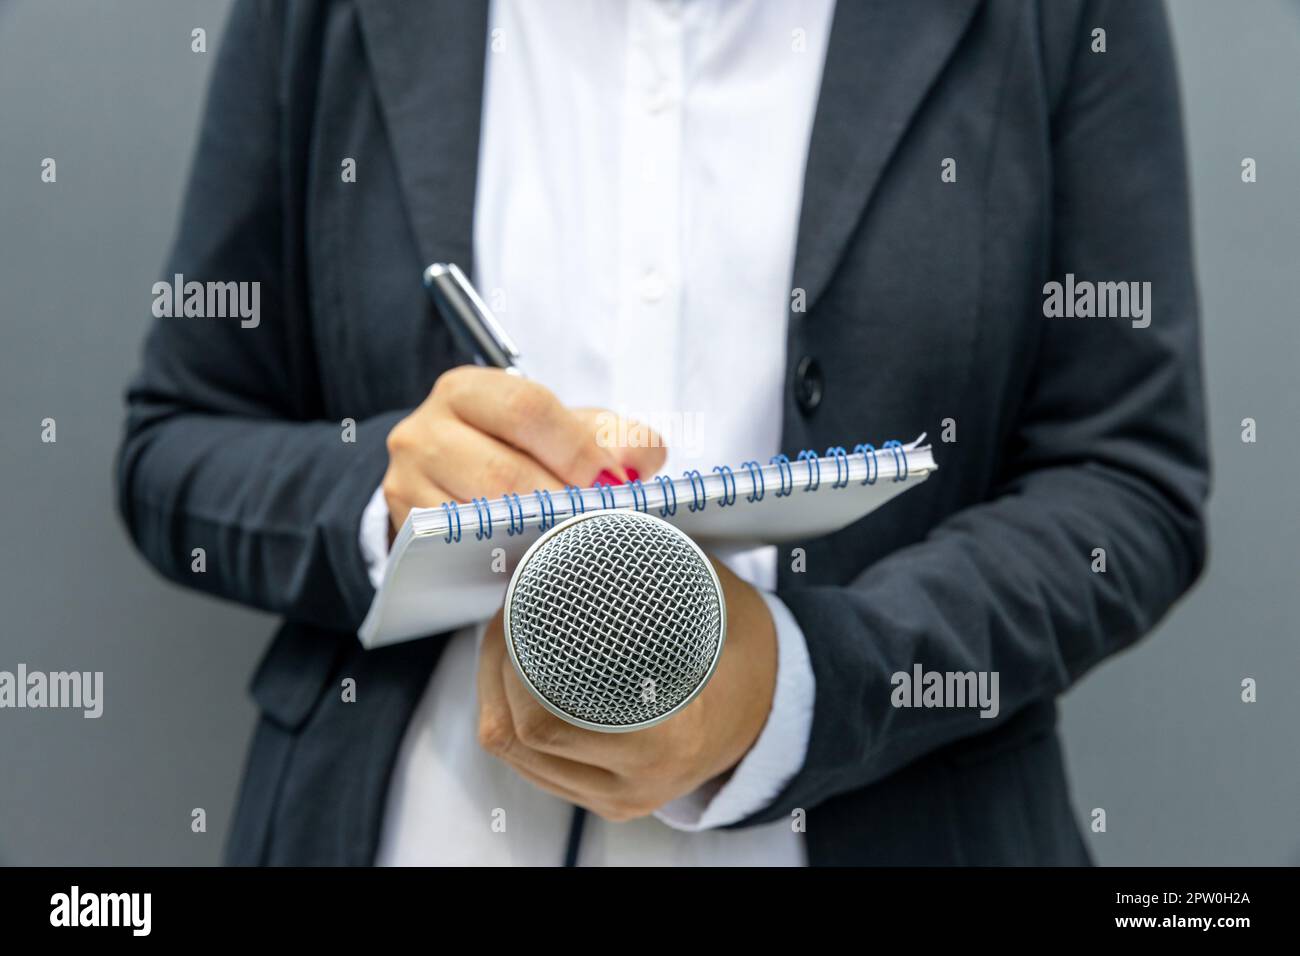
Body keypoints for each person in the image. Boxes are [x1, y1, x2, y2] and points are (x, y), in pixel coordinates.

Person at [117, 0, 1208, 865]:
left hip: (890, 821)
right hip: (399, 823)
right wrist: (386, 503)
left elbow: (1124, 480)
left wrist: (799, 685)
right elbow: (174, 445)